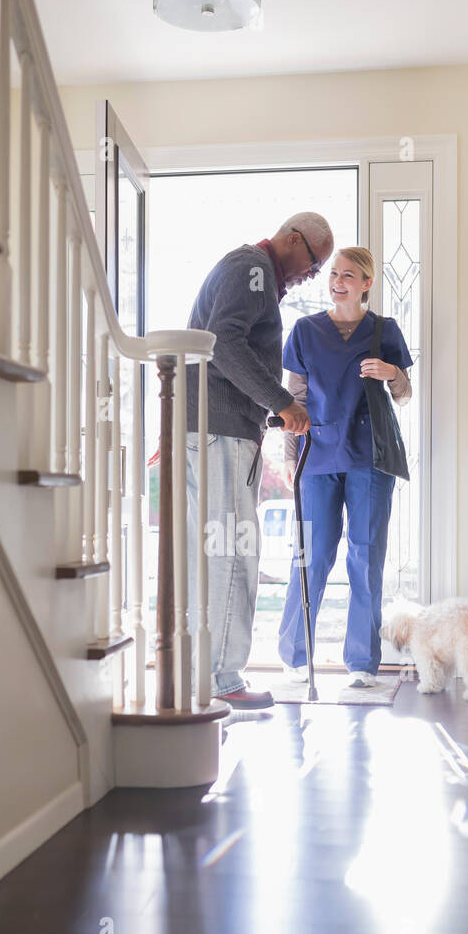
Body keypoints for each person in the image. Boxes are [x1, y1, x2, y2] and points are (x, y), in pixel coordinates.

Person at [185, 213, 335, 708]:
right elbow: (222, 344)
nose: (310, 277)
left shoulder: (250, 270)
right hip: (221, 431)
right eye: (313, 265)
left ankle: (201, 675)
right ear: (293, 240)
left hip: (214, 427)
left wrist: (269, 409)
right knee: (232, 554)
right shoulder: (254, 268)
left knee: (210, 554)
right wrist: (282, 402)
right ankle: (223, 680)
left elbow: (225, 348)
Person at [277, 246, 413, 686]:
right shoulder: (305, 330)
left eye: (348, 275)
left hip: (370, 458)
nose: (337, 282)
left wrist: (390, 372)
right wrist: (288, 453)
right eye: (333, 274)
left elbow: (405, 393)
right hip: (316, 455)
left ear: (367, 283)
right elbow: (294, 398)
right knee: (311, 556)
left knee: (366, 556)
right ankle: (296, 655)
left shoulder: (384, 330)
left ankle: (362, 662)